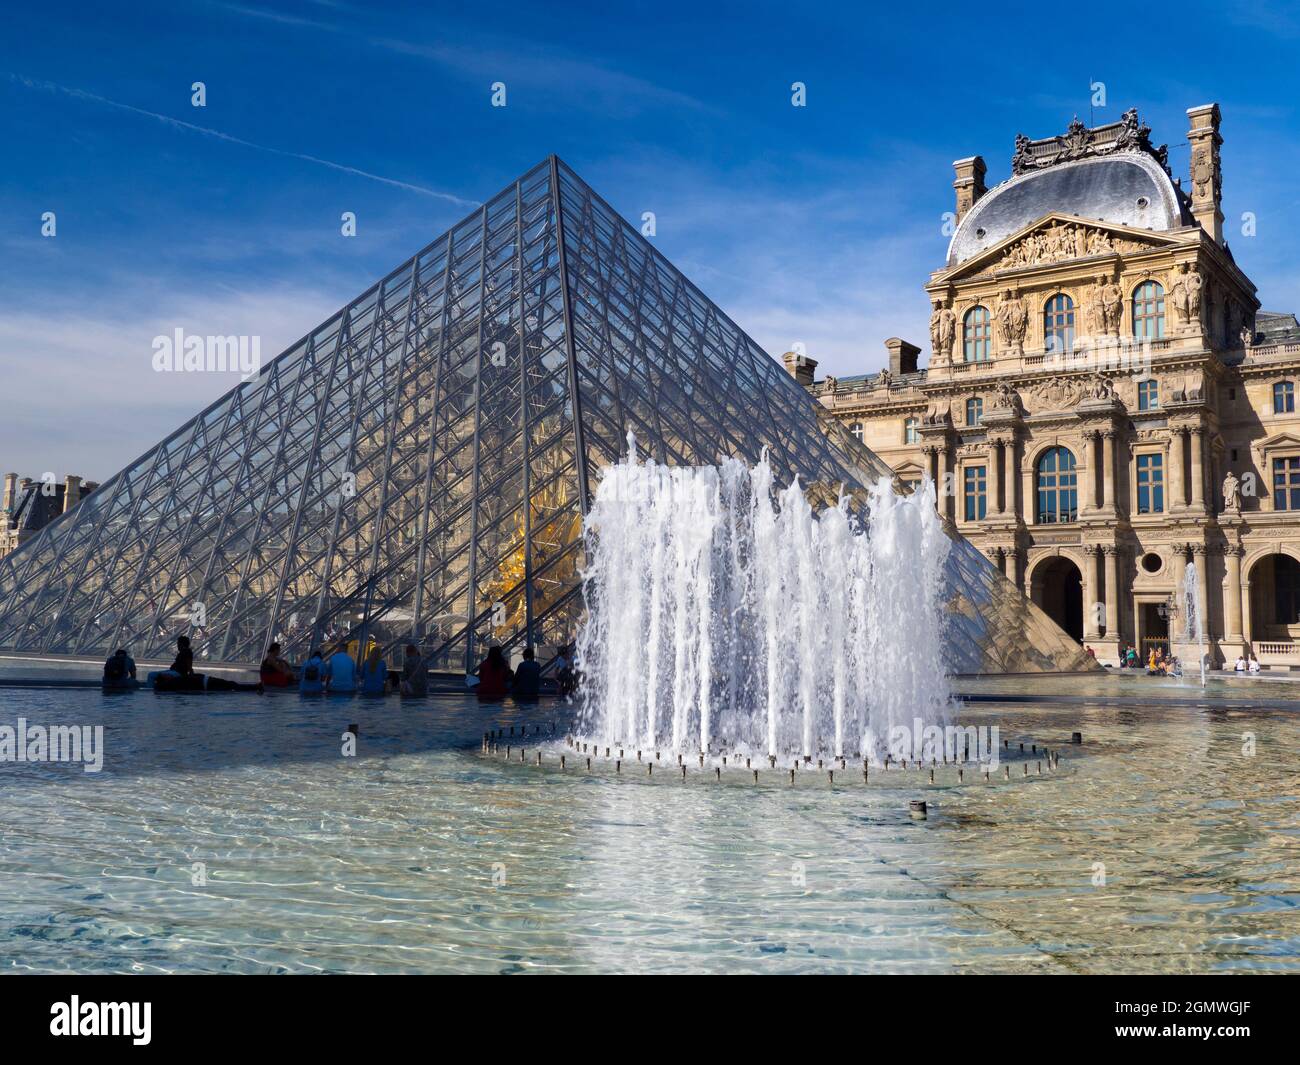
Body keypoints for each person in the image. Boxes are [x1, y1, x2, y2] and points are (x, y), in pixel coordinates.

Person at [155, 635, 259, 691]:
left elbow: (189, 669)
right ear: (165, 680)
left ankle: (254, 687)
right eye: (165, 675)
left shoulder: (177, 680)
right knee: (231, 685)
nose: (166, 673)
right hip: (206, 682)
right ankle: (254, 687)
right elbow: (190, 670)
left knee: (231, 685)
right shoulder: (177, 680)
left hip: (205, 682)